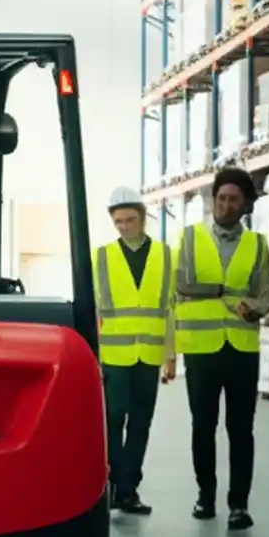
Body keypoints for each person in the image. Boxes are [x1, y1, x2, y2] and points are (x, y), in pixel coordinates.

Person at [173, 167, 269, 531]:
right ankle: (205, 496)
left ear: (245, 204)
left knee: (240, 429)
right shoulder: (190, 238)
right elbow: (183, 283)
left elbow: (266, 293)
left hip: (242, 348)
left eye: (233, 199)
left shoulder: (258, 245)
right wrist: (220, 292)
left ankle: (239, 505)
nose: (226, 205)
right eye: (221, 198)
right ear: (212, 200)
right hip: (201, 348)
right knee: (203, 426)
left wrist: (255, 309)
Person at [91, 186, 175, 516]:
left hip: (150, 356)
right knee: (113, 420)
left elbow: (170, 309)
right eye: (119, 222)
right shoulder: (101, 257)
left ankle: (129, 490)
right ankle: (112, 486)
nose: (124, 227)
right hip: (113, 356)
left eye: (130, 220)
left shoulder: (165, 255)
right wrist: (92, 358)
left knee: (141, 422)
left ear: (143, 219)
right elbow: (92, 310)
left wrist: (171, 356)